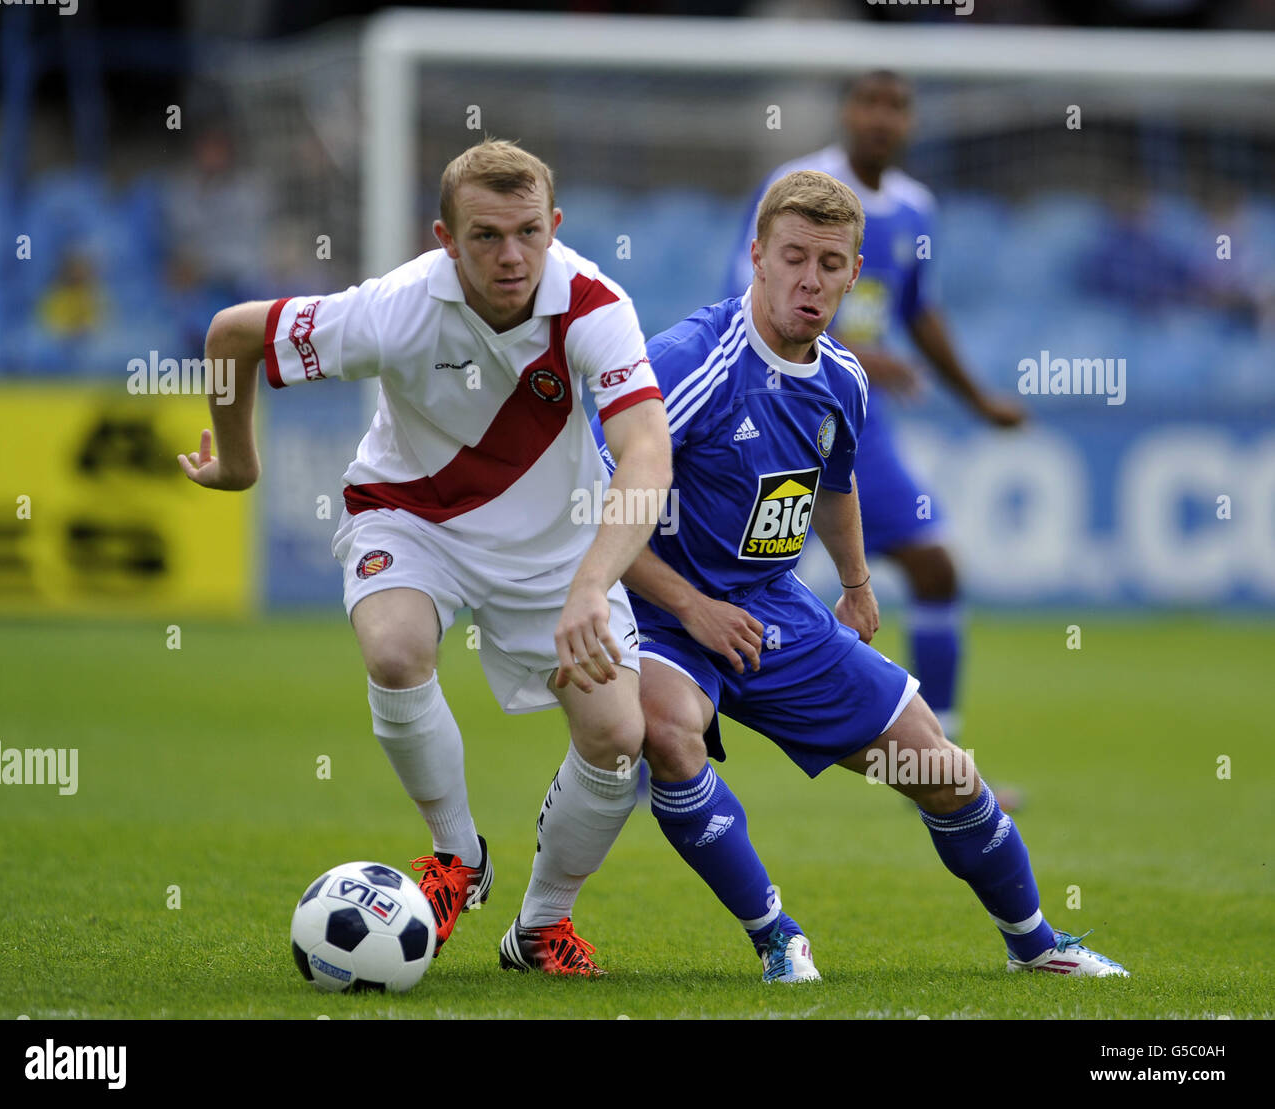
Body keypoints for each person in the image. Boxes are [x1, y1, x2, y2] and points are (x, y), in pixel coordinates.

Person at [601, 169, 1127, 983]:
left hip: (771, 608)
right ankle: (777, 936)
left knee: (940, 771)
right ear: (757, 258)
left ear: (854, 275)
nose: (810, 280)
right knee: (667, 732)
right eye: (794, 258)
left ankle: (1038, 943)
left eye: (831, 263)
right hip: (661, 610)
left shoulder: (844, 378)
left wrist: (854, 582)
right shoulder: (686, 365)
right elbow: (600, 518)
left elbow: (834, 481)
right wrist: (694, 607)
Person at [179, 139, 672, 977]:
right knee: (396, 649)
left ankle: (542, 924)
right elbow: (231, 334)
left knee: (620, 738)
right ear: (445, 238)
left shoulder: (593, 303)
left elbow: (647, 452)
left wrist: (592, 583)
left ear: (553, 226)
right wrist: (239, 461)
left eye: (527, 232)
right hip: (411, 517)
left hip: (552, 551)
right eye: (485, 236)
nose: (510, 256)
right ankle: (457, 856)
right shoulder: (396, 305)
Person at [728, 70, 1025, 779]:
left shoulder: (916, 209)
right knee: (728, 585)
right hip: (773, 412)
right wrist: (858, 353)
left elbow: (919, 311)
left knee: (934, 565)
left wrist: (978, 398)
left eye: (896, 106)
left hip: (856, 421)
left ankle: (941, 754)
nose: (881, 118)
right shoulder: (797, 187)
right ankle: (655, 746)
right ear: (846, 112)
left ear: (910, 122)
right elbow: (744, 301)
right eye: (868, 103)